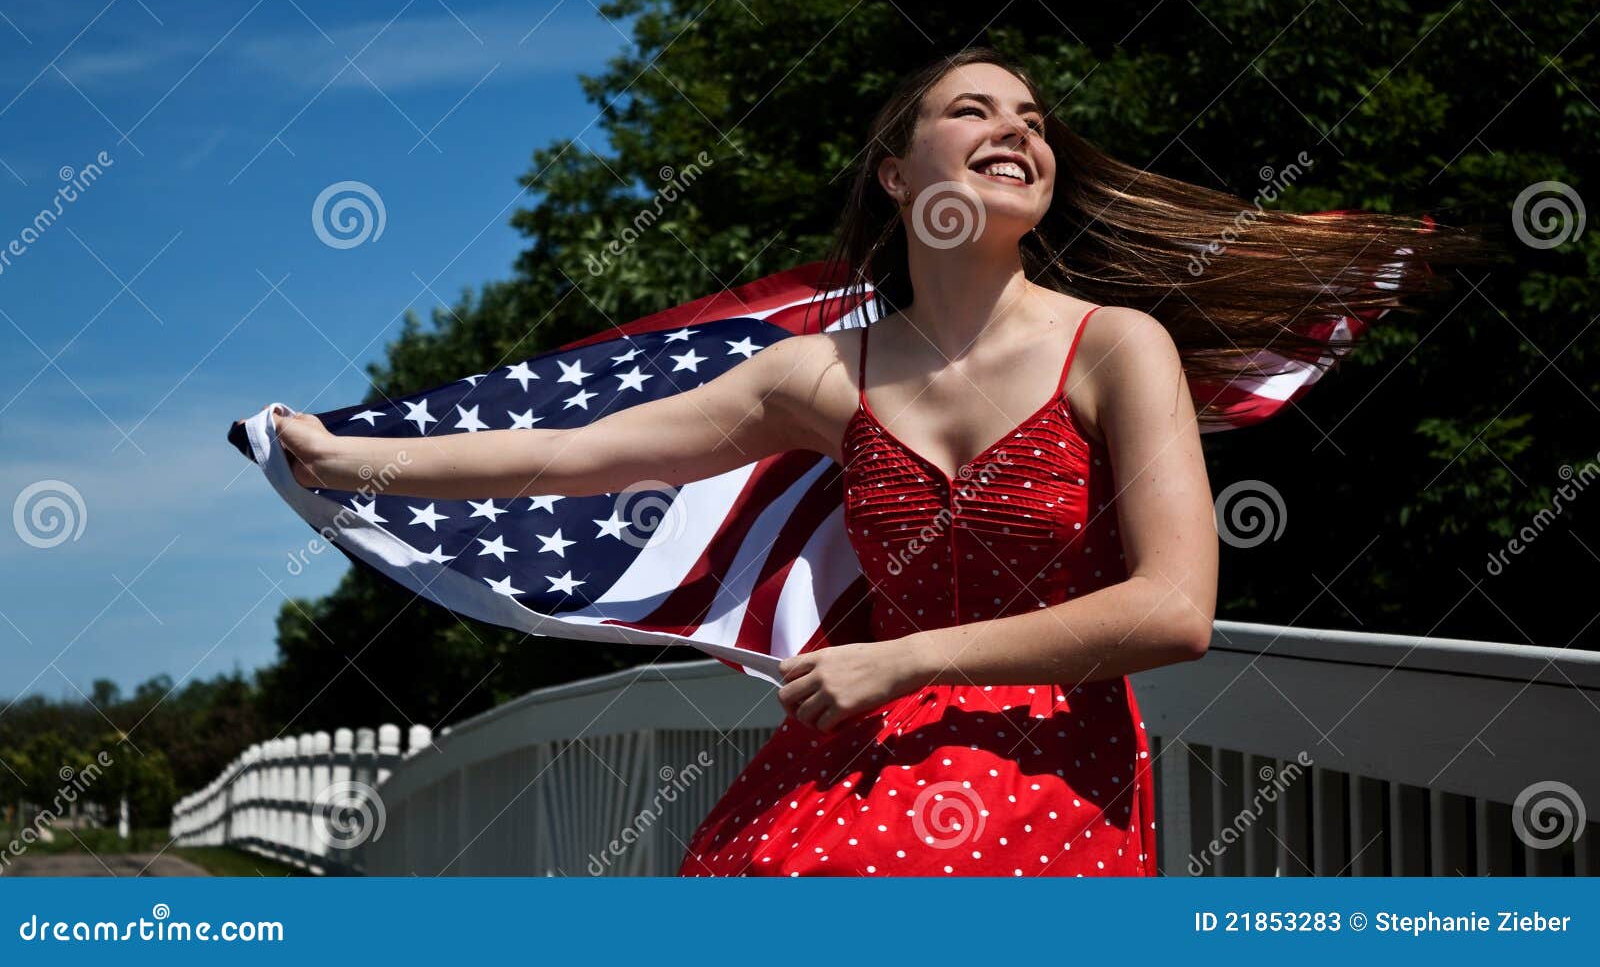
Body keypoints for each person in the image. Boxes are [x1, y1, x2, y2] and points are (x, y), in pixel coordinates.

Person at [260, 47, 1487, 876]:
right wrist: (349, 458)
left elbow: (1173, 610)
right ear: (899, 175)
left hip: (1045, 766)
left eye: (1033, 121)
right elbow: (573, 453)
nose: (1015, 130)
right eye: (974, 111)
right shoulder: (821, 373)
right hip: (848, 755)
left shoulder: (1116, 345)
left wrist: (902, 657)